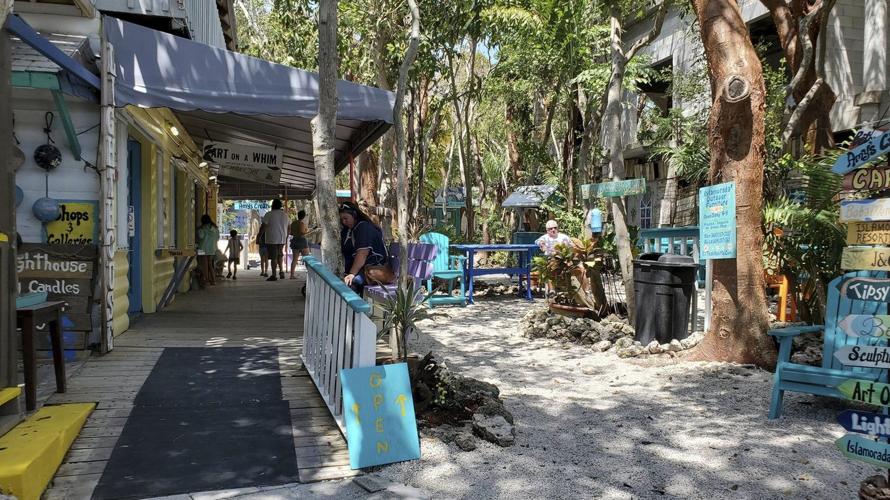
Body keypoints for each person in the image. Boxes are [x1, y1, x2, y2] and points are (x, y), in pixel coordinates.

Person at [339, 202, 388, 293]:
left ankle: (358, 306)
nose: (343, 222)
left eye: (345, 218)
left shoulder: (363, 227)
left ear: (354, 215)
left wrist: (351, 274)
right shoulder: (350, 230)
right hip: (361, 269)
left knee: (350, 283)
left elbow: (362, 254)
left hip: (373, 268)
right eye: (341, 219)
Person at [262, 199, 290, 281]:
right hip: (282, 239)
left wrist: (259, 235)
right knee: (280, 255)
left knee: (273, 257)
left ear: (272, 205)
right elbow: (289, 227)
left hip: (271, 239)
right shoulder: (285, 215)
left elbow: (263, 226)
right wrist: (286, 236)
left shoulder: (269, 214)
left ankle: (274, 275)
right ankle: (281, 271)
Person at [197, 214, 220, 287]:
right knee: (210, 265)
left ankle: (205, 280)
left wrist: (198, 230)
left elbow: (200, 237)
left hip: (202, 249)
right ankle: (213, 280)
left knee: (204, 265)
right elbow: (218, 238)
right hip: (212, 249)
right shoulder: (215, 229)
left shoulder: (202, 228)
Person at [289, 210, 310, 279]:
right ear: (303, 216)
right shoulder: (301, 223)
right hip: (301, 241)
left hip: (294, 240)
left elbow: (291, 233)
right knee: (307, 258)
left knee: (294, 259)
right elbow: (302, 232)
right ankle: (310, 274)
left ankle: (292, 275)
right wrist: (307, 231)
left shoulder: (293, 223)